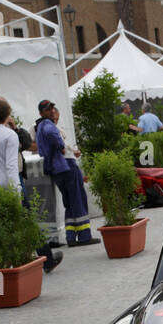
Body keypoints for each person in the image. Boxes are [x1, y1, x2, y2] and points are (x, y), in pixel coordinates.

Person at [0, 98, 62, 272]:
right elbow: (11, 167)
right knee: (28, 223)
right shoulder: (9, 135)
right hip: (9, 188)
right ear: (7, 116)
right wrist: (16, 195)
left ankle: (1, 267)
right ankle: (45, 260)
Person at [36, 99, 99, 246]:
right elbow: (52, 136)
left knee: (70, 202)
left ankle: (71, 236)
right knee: (78, 199)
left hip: (57, 168)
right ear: (41, 113)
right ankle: (84, 236)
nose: (52, 111)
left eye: (52, 108)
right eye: (48, 109)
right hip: (66, 165)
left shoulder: (40, 126)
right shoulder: (47, 125)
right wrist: (61, 147)